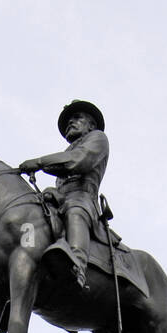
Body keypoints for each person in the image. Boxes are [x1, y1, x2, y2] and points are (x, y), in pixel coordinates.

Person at [19, 100, 109, 292]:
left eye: (77, 118)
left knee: (75, 210)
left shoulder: (98, 138)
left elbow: (78, 162)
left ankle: (77, 265)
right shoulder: (66, 151)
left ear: (91, 125)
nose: (71, 122)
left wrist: (40, 162)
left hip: (82, 198)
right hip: (61, 199)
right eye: (69, 120)